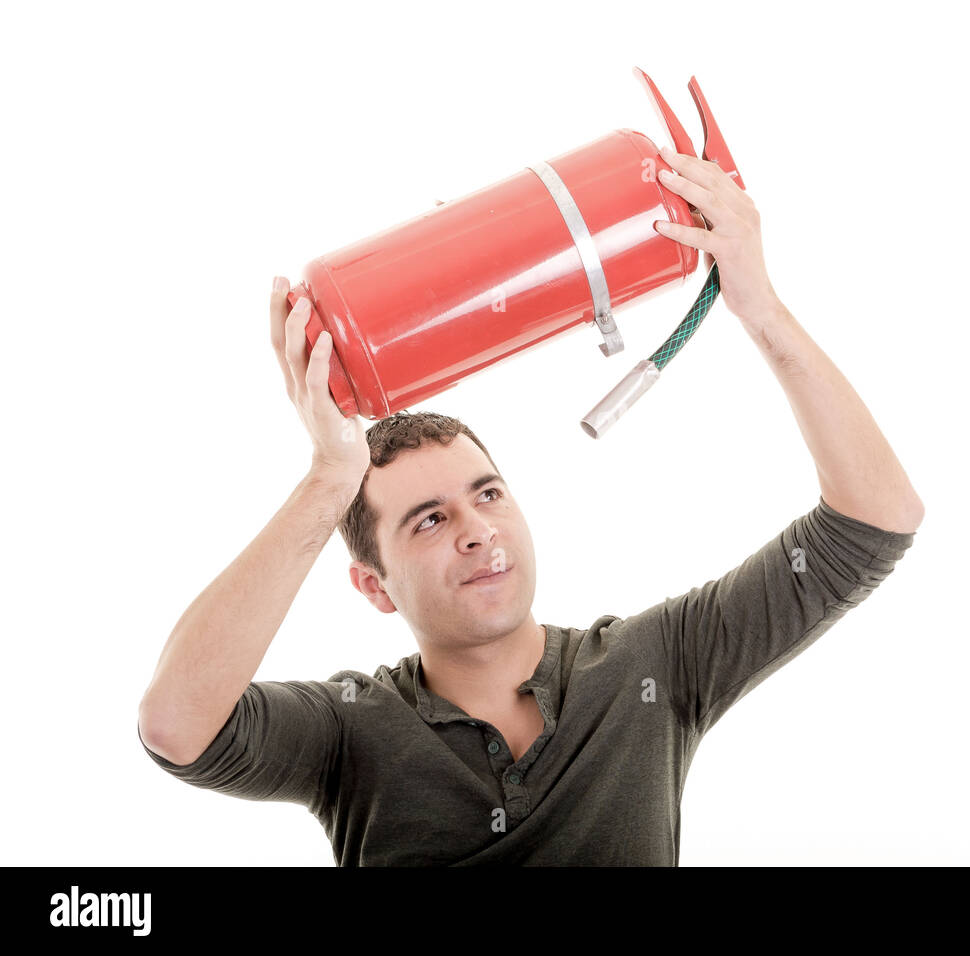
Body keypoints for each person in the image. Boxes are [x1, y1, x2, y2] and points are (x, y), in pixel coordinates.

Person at [136, 147, 925, 865]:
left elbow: (876, 518)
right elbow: (177, 725)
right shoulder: (350, 728)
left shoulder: (653, 668)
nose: (478, 531)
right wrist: (326, 481)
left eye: (487, 495)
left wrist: (761, 308)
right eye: (430, 520)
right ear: (375, 586)